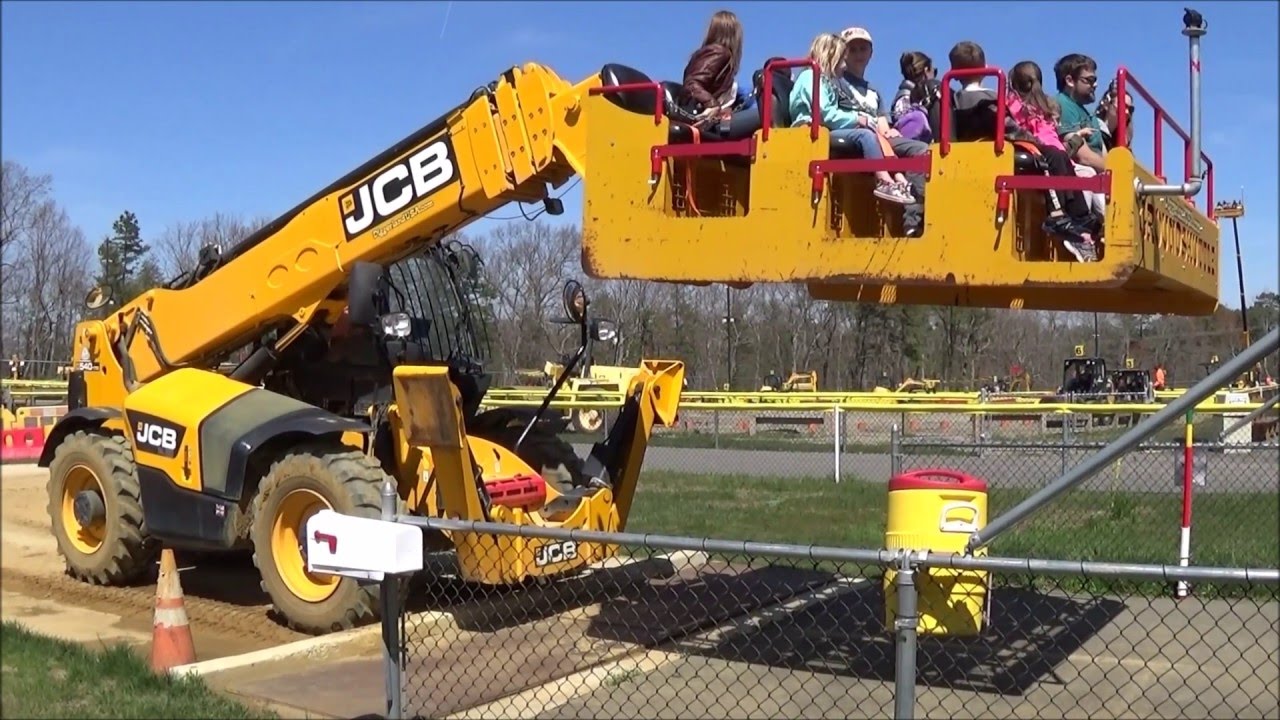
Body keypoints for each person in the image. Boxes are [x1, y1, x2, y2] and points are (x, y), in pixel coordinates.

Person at [789, 32, 913, 204]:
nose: (844, 66)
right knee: (864, 134)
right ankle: (884, 180)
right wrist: (857, 118)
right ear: (830, 58)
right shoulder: (811, 77)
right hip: (811, 132)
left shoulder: (825, 81)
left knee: (874, 133)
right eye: (841, 60)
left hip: (825, 130)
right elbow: (824, 114)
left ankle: (898, 178)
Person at [1006, 60, 1100, 261]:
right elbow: (1017, 131)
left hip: (1056, 154)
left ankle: (1082, 223)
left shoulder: (1028, 105)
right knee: (1063, 165)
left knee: (1070, 168)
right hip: (1046, 154)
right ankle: (1068, 220)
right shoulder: (1032, 105)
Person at [836, 26, 929, 230]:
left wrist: (889, 130)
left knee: (922, 150)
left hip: (878, 136)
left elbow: (882, 121)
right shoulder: (836, 82)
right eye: (853, 49)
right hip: (855, 134)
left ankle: (914, 214)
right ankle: (912, 220)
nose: (859, 54)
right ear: (843, 53)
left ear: (871, 53)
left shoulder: (874, 90)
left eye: (863, 48)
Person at [678, 10, 759, 135]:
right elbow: (691, 84)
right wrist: (712, 105)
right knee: (767, 114)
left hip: (715, 119)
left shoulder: (712, 53)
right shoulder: (719, 53)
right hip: (709, 121)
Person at [1053, 53, 1108, 217]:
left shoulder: (1091, 117)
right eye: (1089, 80)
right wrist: (1118, 172)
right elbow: (1082, 157)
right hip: (1081, 178)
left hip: (1100, 180)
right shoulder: (1062, 104)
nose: (1096, 85)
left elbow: (1104, 154)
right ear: (1070, 81)